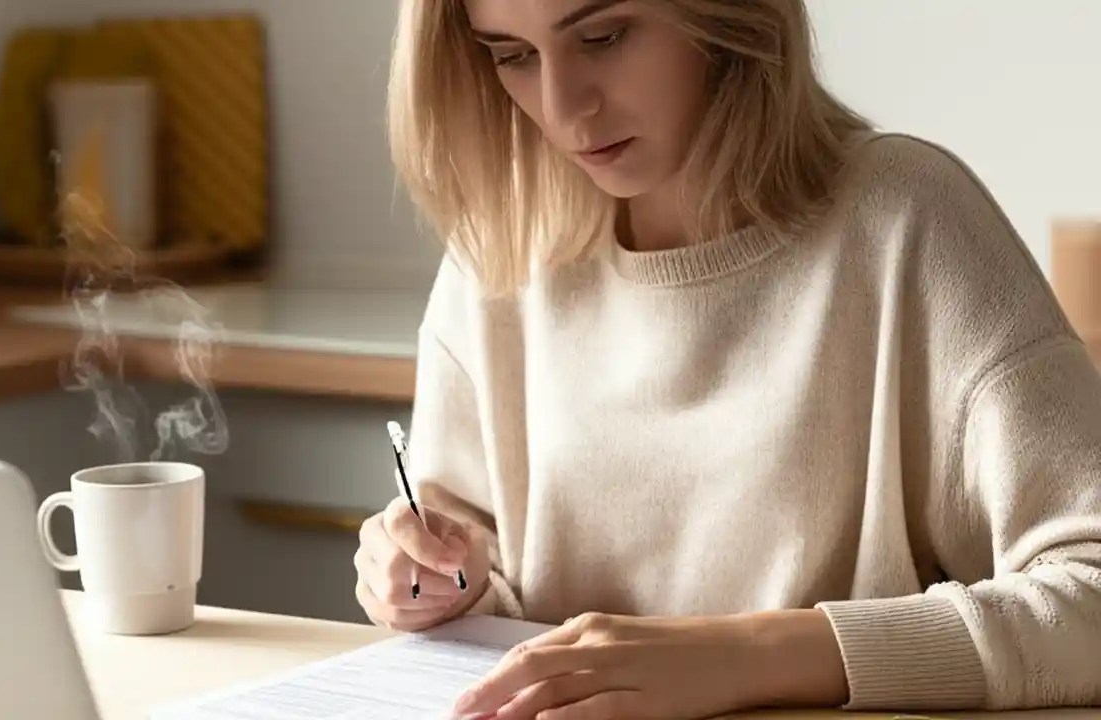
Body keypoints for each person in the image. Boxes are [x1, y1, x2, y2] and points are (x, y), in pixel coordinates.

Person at [353, 1, 1101, 718]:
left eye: (604, 36)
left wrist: (742, 658)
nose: (562, 107)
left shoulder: (907, 222)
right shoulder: (500, 250)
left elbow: (1089, 595)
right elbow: (481, 590)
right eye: (513, 55)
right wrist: (436, 587)